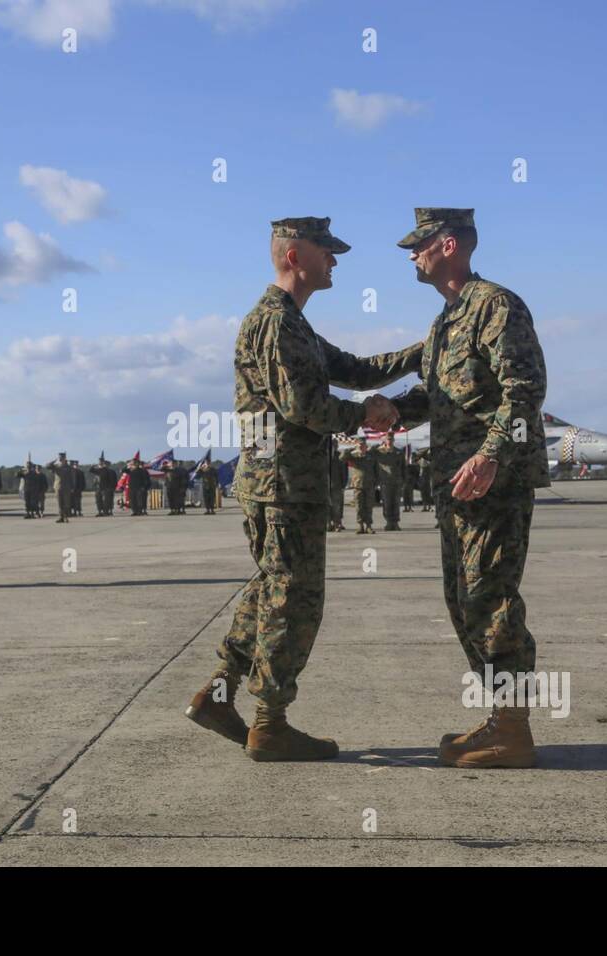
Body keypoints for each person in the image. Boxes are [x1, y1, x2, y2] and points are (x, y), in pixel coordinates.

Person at [184, 215, 415, 761]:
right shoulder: (275, 324)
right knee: (295, 600)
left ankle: (220, 695)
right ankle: (270, 724)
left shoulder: (295, 325)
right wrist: (368, 416)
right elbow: (302, 407)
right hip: (284, 484)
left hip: (285, 483)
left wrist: (422, 352)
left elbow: (356, 369)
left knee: (270, 590)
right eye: (326, 250)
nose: (334, 260)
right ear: (294, 256)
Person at [391, 207, 549, 769]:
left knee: (491, 599)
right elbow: (437, 394)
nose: (412, 254)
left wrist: (490, 454)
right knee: (463, 600)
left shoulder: (496, 306)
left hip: (494, 482)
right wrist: (390, 409)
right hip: (455, 485)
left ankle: (513, 729)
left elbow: (525, 390)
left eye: (420, 245)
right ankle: (500, 717)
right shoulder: (446, 321)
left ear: (450, 245)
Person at [342, 437, 378, 533]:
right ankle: (360, 525)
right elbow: (342, 457)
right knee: (359, 506)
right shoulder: (354, 457)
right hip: (358, 485)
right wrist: (352, 448)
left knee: (369, 506)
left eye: (363, 445)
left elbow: (377, 470)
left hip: (370, 484)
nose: (362, 447)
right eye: (360, 445)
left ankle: (369, 526)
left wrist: (376, 482)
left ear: (366, 446)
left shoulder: (371, 457)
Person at [373, 431, 405, 530]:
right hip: (385, 482)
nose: (390, 441)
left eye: (391, 439)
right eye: (388, 439)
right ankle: (388, 522)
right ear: (384, 440)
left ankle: (395, 522)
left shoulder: (399, 452)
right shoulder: (379, 452)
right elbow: (374, 464)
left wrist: (404, 480)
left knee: (396, 502)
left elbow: (403, 467)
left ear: (394, 440)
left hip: (397, 481)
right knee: (386, 503)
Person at [47, 453, 74, 523]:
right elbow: (47, 466)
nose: (61, 459)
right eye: (60, 458)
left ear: (65, 458)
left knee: (66, 503)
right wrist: (54, 461)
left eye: (62, 458)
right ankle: (61, 517)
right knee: (60, 503)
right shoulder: (56, 466)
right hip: (58, 487)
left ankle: (65, 517)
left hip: (66, 487)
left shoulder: (69, 467)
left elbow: (72, 477)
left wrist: (72, 487)